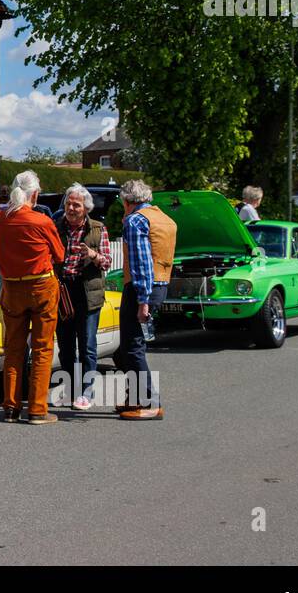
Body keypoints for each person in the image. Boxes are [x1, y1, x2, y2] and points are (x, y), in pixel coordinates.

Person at [0, 171, 64, 424]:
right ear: (35, 194)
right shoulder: (41, 221)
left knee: (13, 349)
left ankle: (10, 407)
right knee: (43, 348)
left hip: (12, 288)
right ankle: (37, 409)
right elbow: (60, 254)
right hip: (41, 285)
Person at [116, 179, 176, 420]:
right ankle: (136, 398)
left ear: (127, 201)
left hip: (142, 288)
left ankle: (150, 402)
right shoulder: (164, 219)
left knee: (132, 347)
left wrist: (143, 301)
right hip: (161, 285)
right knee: (132, 346)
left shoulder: (135, 220)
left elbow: (142, 264)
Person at [53, 184, 111, 411]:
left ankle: (88, 392)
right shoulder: (56, 227)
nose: (71, 208)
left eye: (76, 204)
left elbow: (107, 262)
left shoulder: (98, 229)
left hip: (88, 292)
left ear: (86, 208)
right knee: (66, 345)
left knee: (87, 345)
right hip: (63, 291)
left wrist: (93, 254)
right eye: (68, 204)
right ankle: (70, 389)